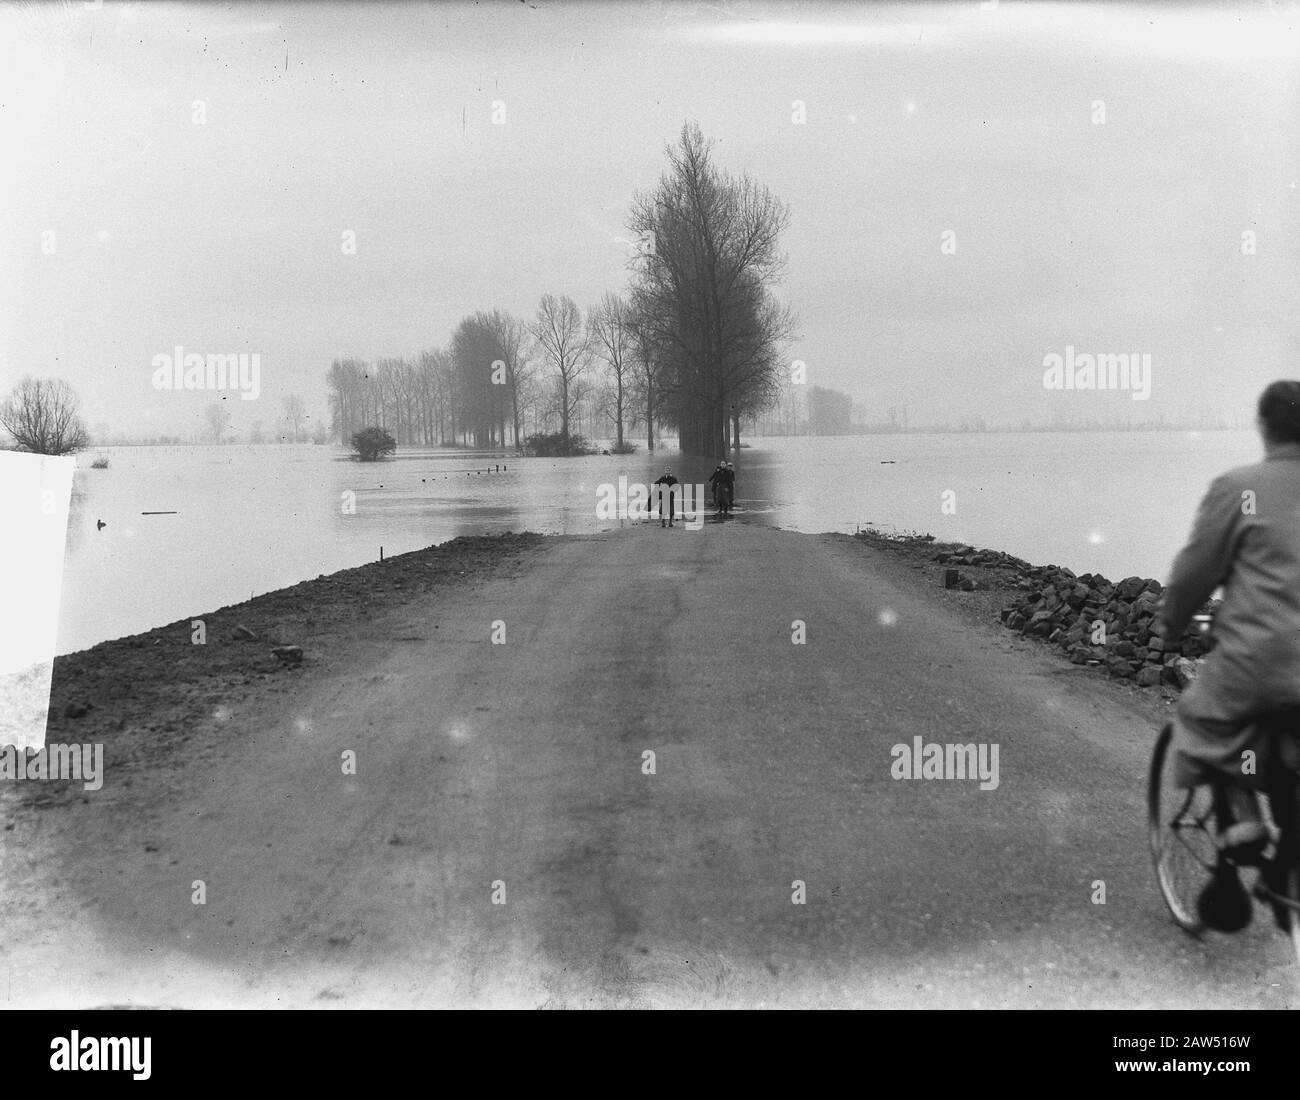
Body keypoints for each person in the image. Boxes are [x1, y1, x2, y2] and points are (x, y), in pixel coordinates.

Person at [1160, 381, 1300, 914]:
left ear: (1264, 428)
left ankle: (1242, 821)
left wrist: (1172, 626)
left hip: (1259, 663)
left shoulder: (1241, 488)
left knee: (1202, 718)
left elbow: (1195, 574)